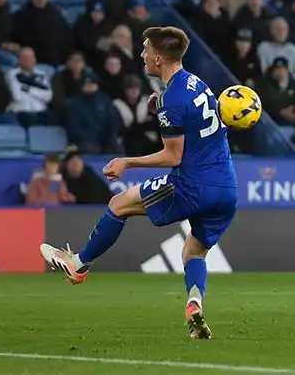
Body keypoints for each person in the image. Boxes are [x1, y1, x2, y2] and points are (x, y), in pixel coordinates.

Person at [39, 27, 237, 340]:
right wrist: (161, 107)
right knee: (194, 253)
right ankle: (194, 304)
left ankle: (78, 266)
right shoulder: (197, 83)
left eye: (145, 49)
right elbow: (194, 120)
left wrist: (127, 162)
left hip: (192, 184)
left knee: (119, 204)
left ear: (158, 58)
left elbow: (173, 156)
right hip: (226, 188)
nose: (141, 54)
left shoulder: (173, 98)